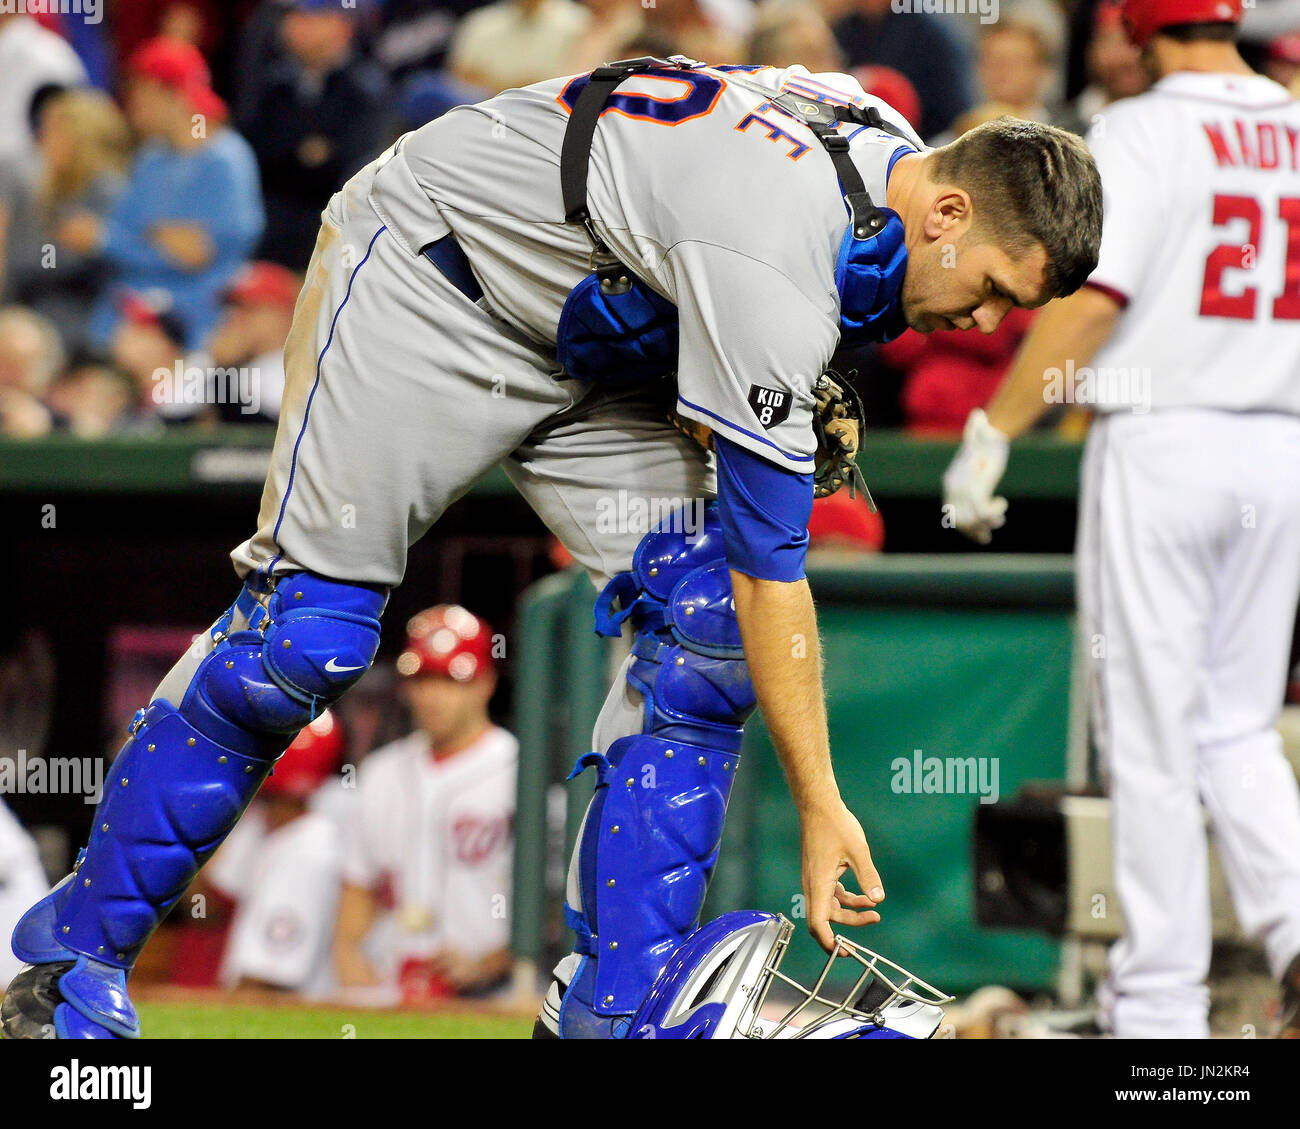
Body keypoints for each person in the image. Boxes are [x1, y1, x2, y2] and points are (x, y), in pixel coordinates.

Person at [2, 54, 1101, 1041]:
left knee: (705, 633)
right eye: (995, 289)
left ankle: (607, 1016)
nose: (984, 321)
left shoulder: (871, 145)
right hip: (436, 280)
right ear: (947, 209)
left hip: (590, 339)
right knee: (304, 640)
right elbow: (778, 574)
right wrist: (822, 802)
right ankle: (68, 964)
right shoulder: (781, 250)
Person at [942, 0, 1300, 1039]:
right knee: (1234, 726)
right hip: (1278, 442)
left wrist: (998, 426)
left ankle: (1156, 1011)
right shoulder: (1292, 118)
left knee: (1145, 739)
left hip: (1167, 433)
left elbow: (1095, 300)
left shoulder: (1143, 127)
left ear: (1144, 26)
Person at [333, 606, 516, 1005]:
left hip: (494, 993)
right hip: (391, 986)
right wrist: (349, 961)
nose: (433, 696)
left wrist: (494, 962)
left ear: (485, 683)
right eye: (423, 679)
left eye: (451, 681)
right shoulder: (381, 772)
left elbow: (555, 903)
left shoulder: (520, 771)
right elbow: (358, 884)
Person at [66, 38, 264, 354]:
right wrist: (153, 238)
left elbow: (196, 256)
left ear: (174, 94)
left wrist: (121, 239)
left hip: (195, 322)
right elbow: (121, 231)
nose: (131, 104)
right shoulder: (151, 158)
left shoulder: (226, 158)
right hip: (123, 311)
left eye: (141, 93)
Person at [238, 0, 393, 272]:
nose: (293, 27)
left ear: (341, 25)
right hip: (269, 237)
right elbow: (258, 155)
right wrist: (306, 154)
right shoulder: (275, 84)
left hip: (336, 244)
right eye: (294, 17)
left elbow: (354, 174)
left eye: (309, 17)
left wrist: (302, 157)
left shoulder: (368, 90)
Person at [208, 711, 347, 996]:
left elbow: (266, 981)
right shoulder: (271, 828)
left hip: (289, 1012)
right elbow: (209, 903)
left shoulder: (307, 852)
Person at [0, 89, 131, 353]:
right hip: (33, 306)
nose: (42, 140)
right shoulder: (52, 191)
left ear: (78, 138)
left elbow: (56, 262)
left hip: (82, 314)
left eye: (52, 131)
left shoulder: (107, 189)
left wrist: (38, 252)